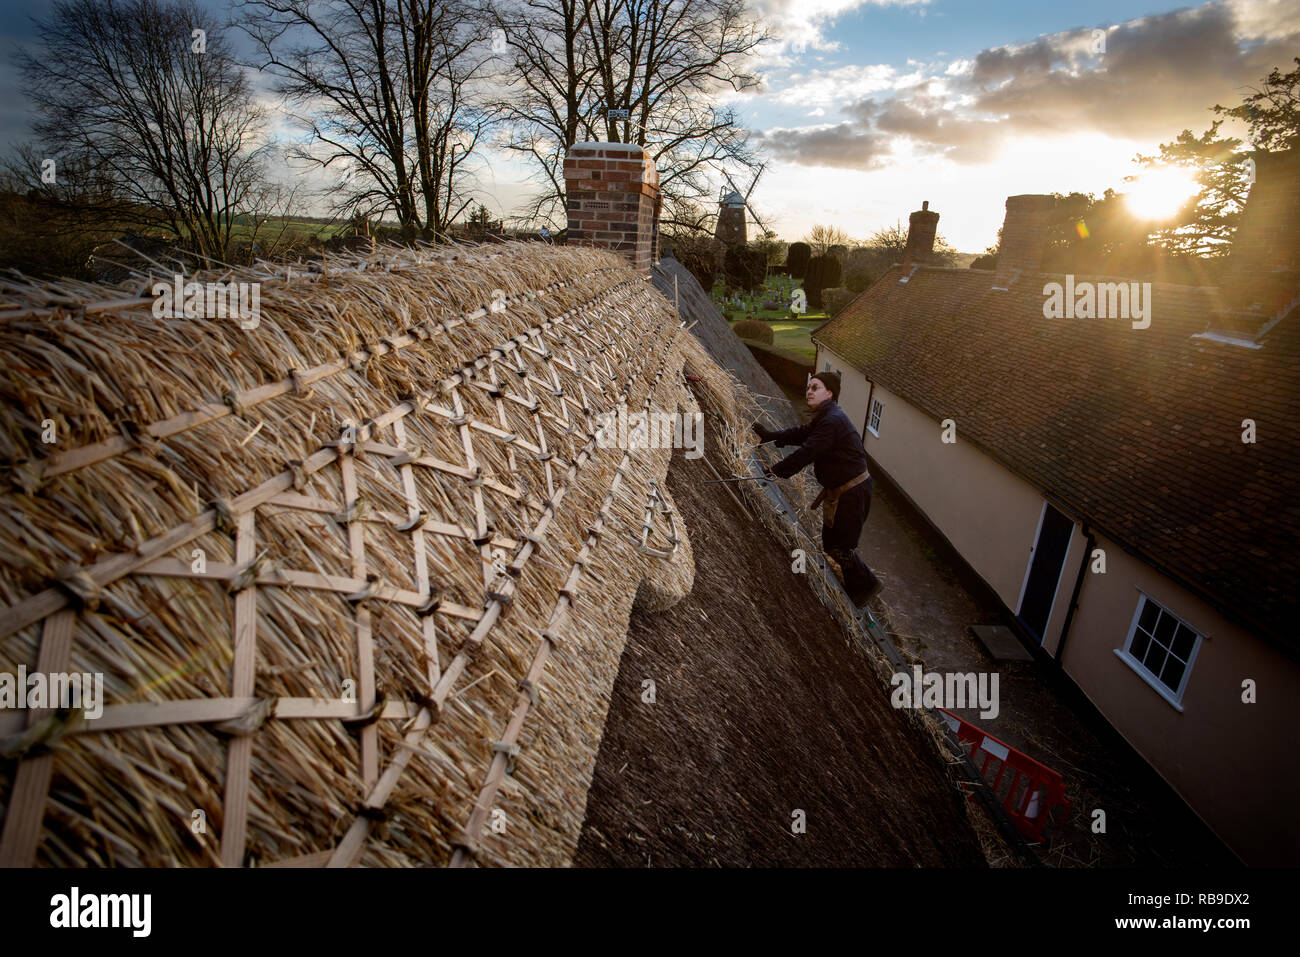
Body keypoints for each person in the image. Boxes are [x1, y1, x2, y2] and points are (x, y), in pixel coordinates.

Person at [753, 372, 883, 607]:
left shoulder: (833, 421)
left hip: (853, 493)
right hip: (844, 491)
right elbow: (804, 433)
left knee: (841, 545)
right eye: (808, 387)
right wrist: (773, 437)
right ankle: (860, 586)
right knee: (831, 542)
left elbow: (808, 451)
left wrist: (776, 471)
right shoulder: (826, 417)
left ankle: (866, 586)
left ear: (830, 393)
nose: (809, 391)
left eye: (816, 387)